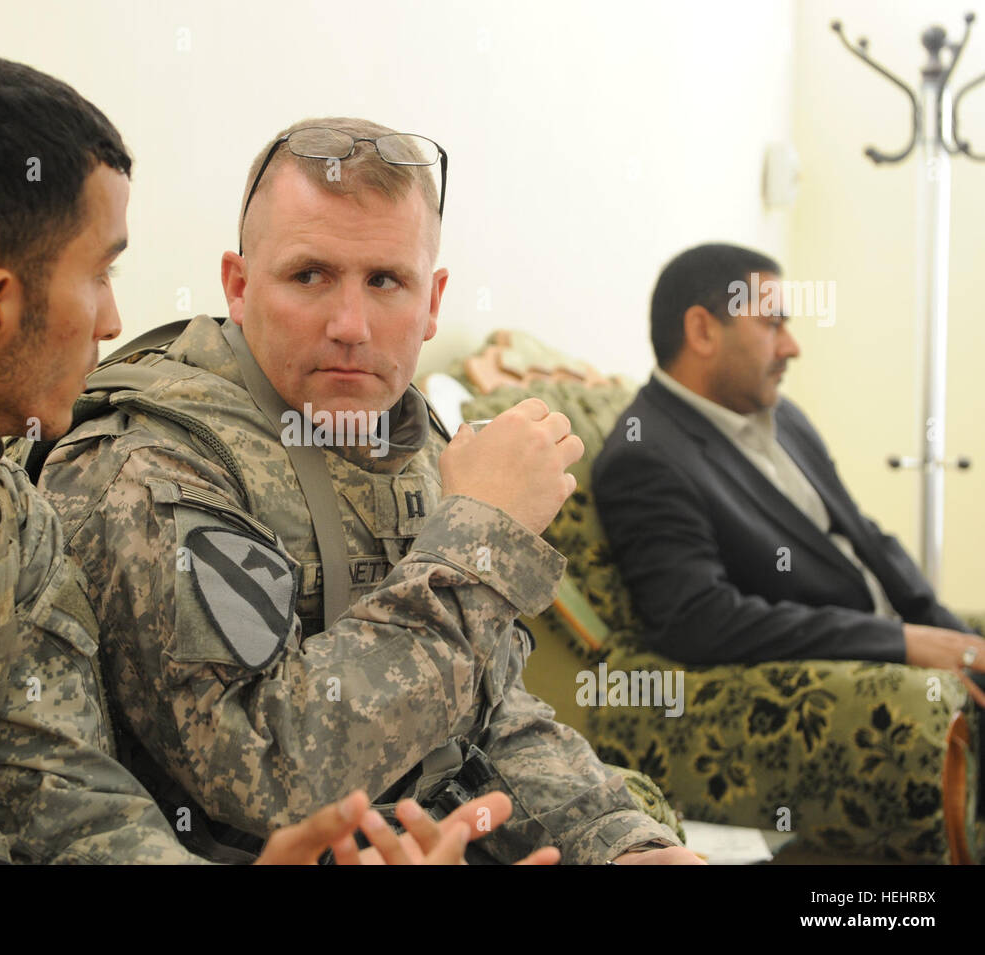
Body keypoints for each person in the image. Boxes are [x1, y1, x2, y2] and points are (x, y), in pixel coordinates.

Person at [0, 47, 523, 866]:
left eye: (387, 281)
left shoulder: (11, 522)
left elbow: (73, 804)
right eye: (100, 274)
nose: (116, 321)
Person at [35, 118, 700, 864]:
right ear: (240, 286)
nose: (350, 326)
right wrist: (478, 541)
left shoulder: (415, 440)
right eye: (309, 275)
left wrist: (619, 839)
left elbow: (481, 708)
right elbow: (268, 766)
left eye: (386, 281)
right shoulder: (152, 463)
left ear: (433, 300)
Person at [592, 242, 985, 703]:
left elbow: (863, 534)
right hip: (861, 680)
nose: (792, 346)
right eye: (772, 324)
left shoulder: (785, 416)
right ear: (702, 331)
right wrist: (900, 644)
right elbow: (699, 618)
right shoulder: (645, 458)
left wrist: (952, 636)